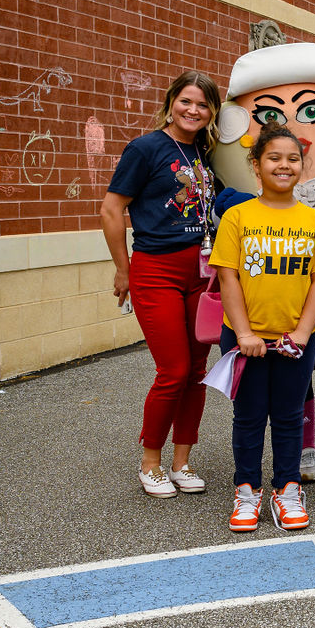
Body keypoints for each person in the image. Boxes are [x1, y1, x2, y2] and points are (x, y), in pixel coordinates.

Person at [209, 125, 315, 533]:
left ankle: (287, 488)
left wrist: (302, 332)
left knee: (288, 415)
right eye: (274, 158)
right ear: (256, 164)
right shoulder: (238, 216)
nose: (284, 165)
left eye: (292, 158)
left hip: (294, 339)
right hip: (244, 337)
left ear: (302, 165)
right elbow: (228, 278)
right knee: (247, 417)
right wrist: (245, 334)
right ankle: (246, 491)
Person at [101, 70, 222, 499]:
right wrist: (123, 269)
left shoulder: (205, 152)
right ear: (172, 101)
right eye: (186, 101)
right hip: (157, 271)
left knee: (195, 372)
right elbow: (112, 209)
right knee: (172, 371)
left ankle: (182, 461)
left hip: (202, 273)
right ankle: (150, 462)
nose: (193, 110)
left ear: (212, 113)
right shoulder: (146, 147)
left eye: (203, 105)